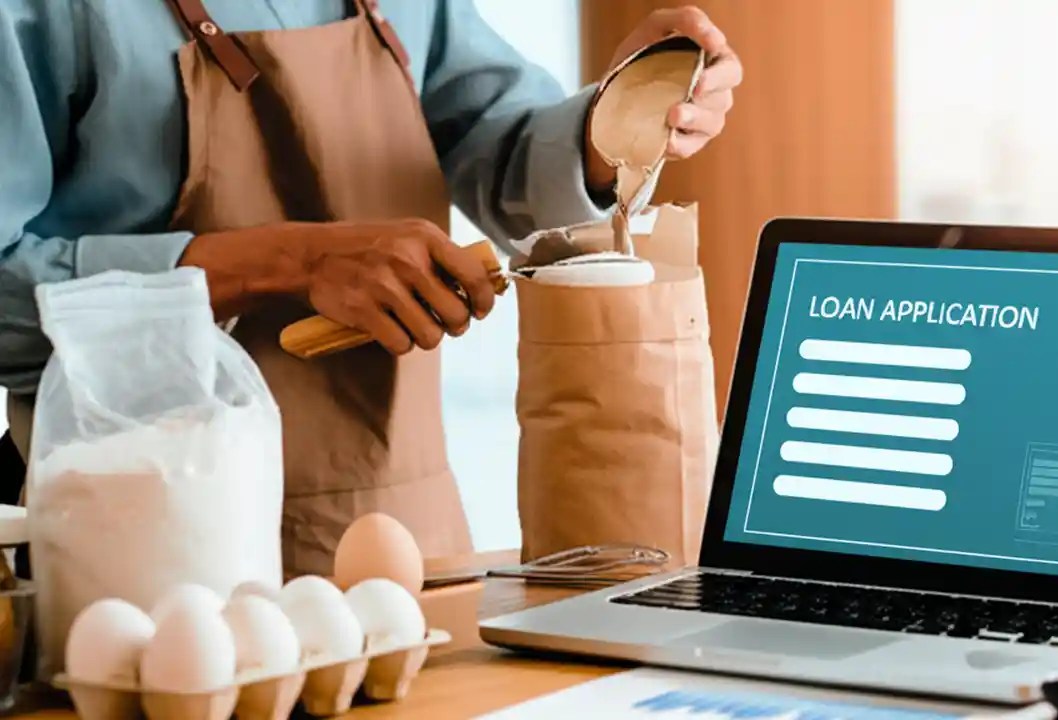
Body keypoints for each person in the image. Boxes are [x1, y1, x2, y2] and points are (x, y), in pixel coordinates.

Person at [0, 1, 742, 576]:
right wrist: (285, 263)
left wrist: (620, 123)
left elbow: (504, 148)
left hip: (404, 544)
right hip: (138, 563)